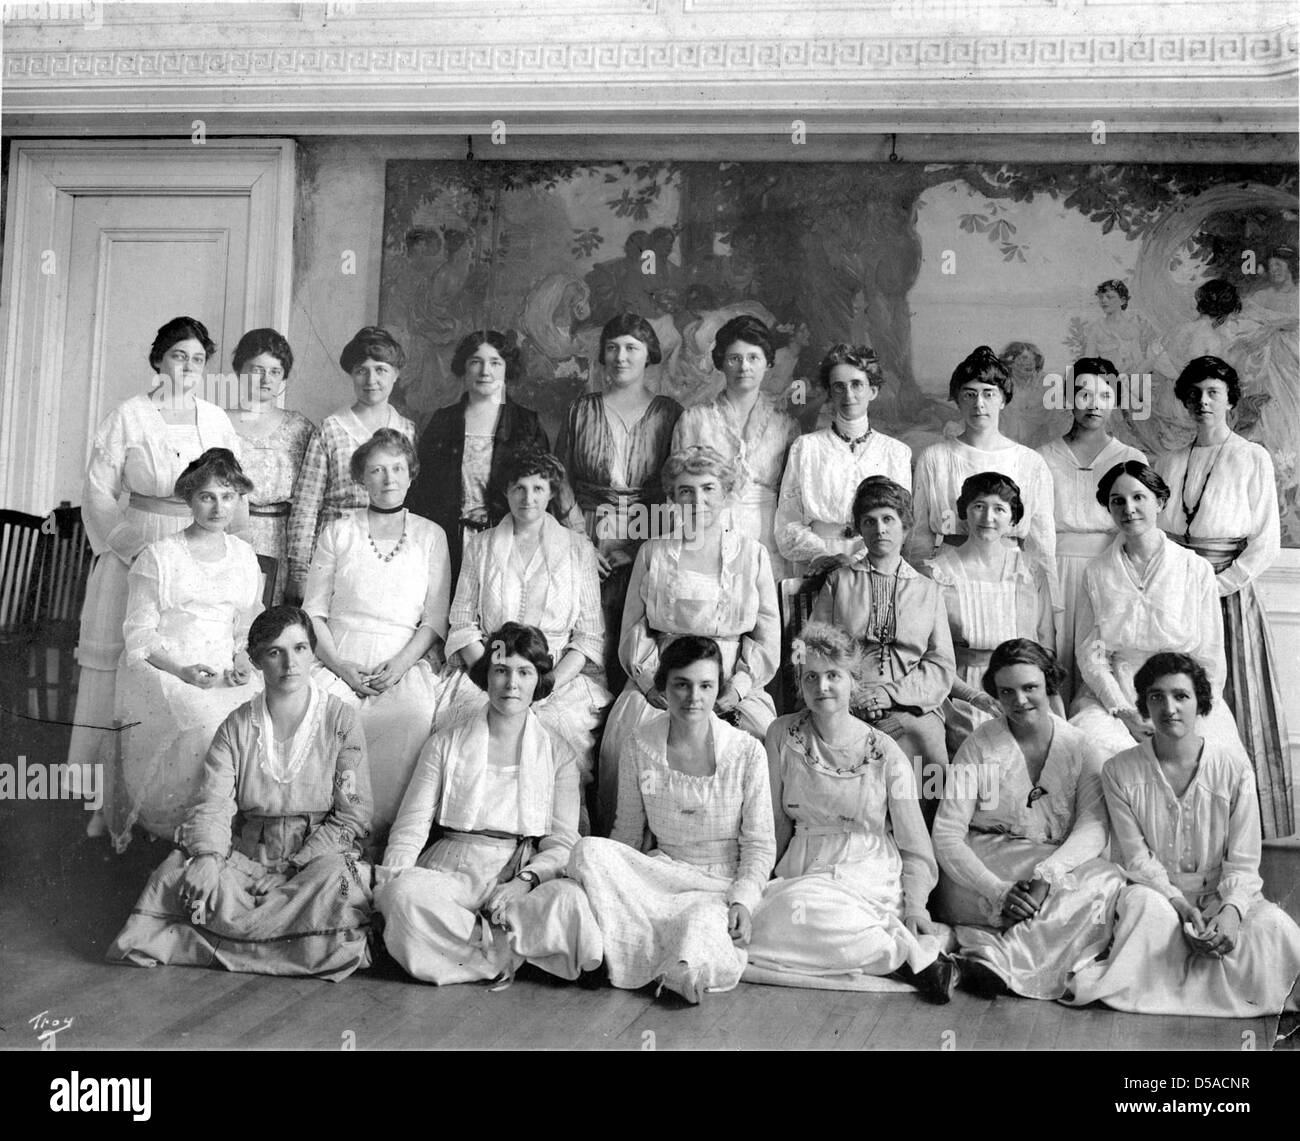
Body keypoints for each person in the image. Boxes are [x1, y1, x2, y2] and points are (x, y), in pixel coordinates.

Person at [107, 606, 374, 980]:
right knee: (174, 875)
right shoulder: (235, 726)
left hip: (314, 862)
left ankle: (223, 940)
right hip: (250, 857)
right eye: (274, 652)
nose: (289, 664)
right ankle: (292, 946)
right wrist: (209, 858)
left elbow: (353, 815)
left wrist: (293, 869)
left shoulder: (341, 721)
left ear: (313, 653)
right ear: (255, 660)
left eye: (299, 649)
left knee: (341, 885)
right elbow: (213, 803)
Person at [69, 317, 245, 837]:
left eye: (196, 360)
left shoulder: (215, 418)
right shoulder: (129, 415)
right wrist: (131, 546)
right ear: (159, 360)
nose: (187, 368)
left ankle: (169, 801)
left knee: (183, 666)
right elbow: (99, 492)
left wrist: (226, 552)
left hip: (198, 546)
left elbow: (233, 493)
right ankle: (104, 801)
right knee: (123, 670)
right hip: (136, 547)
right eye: (177, 357)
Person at [1067, 653, 1300, 1018]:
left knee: (1275, 929)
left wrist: (1231, 912)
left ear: (1200, 702)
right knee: (1147, 912)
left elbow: (1243, 860)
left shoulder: (1233, 768)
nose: (1169, 708)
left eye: (1181, 696)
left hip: (1220, 891)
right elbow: (1136, 858)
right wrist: (1178, 902)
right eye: (1156, 697)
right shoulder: (1119, 771)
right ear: (1143, 704)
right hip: (1158, 893)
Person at [375, 622, 603, 986]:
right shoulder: (444, 743)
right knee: (403, 897)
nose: (511, 684)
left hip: (518, 873)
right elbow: (411, 826)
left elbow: (563, 843)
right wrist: (390, 882)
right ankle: (503, 952)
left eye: (524, 673)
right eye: (501, 671)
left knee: (571, 905)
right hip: (452, 870)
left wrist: (526, 881)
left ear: (538, 681)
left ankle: (463, 950)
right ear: (486, 677)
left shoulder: (558, 754)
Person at [744, 623, 956, 1001]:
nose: (821, 687)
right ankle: (901, 956)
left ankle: (900, 949)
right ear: (800, 682)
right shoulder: (781, 734)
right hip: (803, 866)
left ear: (853, 682)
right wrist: (755, 882)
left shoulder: (886, 750)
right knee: (760, 921)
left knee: (802, 910)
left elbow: (914, 843)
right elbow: (775, 823)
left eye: (833, 676)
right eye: (811, 677)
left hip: (867, 870)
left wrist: (917, 906)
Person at [568, 636, 776, 1003]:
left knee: (699, 921)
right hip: (661, 874)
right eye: (681, 684)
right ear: (664, 687)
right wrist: (616, 876)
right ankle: (630, 948)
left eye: (705, 686)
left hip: (717, 882)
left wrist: (742, 899)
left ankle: (674, 967)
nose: (693, 697)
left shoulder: (747, 753)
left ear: (718, 690)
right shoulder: (640, 744)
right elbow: (628, 832)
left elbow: (759, 845)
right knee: (587, 850)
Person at [597, 446, 779, 833]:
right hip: (662, 679)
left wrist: (738, 689)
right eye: (686, 491)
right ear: (672, 498)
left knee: (763, 743)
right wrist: (650, 684)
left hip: (730, 682)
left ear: (726, 492)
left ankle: (738, 848)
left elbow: (766, 637)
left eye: (708, 489)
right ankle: (633, 845)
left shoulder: (752, 555)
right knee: (624, 745)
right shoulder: (653, 552)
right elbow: (633, 628)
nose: (698, 500)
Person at [931, 639, 1125, 1000]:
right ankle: (1000, 948)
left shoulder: (1081, 746)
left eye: (1030, 688)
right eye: (1007, 692)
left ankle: (992, 956)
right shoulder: (979, 745)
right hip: (981, 873)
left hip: (1046, 870)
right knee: (1073, 903)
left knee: (1108, 879)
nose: (1019, 701)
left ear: (1048, 684)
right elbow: (946, 834)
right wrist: (997, 890)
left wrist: (1045, 876)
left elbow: (1094, 827)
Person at [435, 447, 611, 830]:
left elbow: (588, 636)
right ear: (506, 492)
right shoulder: (481, 547)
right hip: (488, 670)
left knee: (560, 736)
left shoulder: (578, 549)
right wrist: (490, 674)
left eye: (537, 488)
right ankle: (473, 832)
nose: (527, 498)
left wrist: (547, 682)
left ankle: (551, 839)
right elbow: (463, 621)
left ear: (551, 492)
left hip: (556, 678)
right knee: (463, 726)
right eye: (518, 488)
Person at [1155, 356, 1293, 837]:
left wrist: (1214, 587)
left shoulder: (1251, 457)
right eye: (1193, 393)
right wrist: (1181, 589)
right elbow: (1160, 535)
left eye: (1213, 391)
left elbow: (1265, 543)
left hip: (1228, 596)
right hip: (1178, 598)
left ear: (1230, 399)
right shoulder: (1171, 462)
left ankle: (1244, 827)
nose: (1203, 401)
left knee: (1236, 698)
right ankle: (1186, 825)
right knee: (1177, 700)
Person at [303, 428, 450, 851]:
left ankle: (374, 839)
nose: (388, 479)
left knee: (413, 717)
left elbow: (434, 618)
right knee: (318, 715)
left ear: (411, 474)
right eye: (377, 470)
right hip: (339, 655)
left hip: (401, 659)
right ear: (361, 478)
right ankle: (322, 835)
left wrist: (401, 667)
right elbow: (314, 611)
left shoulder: (430, 535)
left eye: (398, 469)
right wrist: (341, 668)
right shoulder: (338, 531)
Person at [113, 449, 263, 848]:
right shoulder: (160, 557)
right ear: (189, 499)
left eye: (228, 496)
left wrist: (243, 659)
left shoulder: (245, 557)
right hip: (167, 669)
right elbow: (139, 637)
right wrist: (181, 670)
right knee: (206, 721)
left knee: (267, 716)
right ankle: (195, 828)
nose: (218, 507)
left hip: (224, 668)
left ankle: (240, 827)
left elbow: (246, 625)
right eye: (207, 496)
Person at [1067, 461, 1246, 763]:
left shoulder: (1194, 569)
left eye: (1139, 497)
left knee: (1215, 758)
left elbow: (1210, 657)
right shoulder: (1096, 572)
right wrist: (1125, 712)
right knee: (1096, 753)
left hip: (1182, 691)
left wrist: (1180, 709)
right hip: (1118, 694)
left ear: (1160, 502)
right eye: (1117, 501)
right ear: (1108, 509)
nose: (1129, 508)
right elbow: (1091, 656)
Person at [809, 476, 954, 821]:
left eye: (888, 519)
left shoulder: (928, 590)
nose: (880, 529)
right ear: (859, 527)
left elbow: (940, 663)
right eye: (869, 521)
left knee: (930, 747)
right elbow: (816, 647)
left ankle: (926, 838)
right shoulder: (840, 581)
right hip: (848, 698)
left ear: (905, 525)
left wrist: (891, 695)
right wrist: (852, 693)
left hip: (911, 703)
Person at [555, 312, 682, 693]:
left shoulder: (670, 414)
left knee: (637, 637)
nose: (620, 357)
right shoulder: (581, 410)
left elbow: (674, 488)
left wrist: (636, 547)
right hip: (584, 532)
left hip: (648, 537)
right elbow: (559, 477)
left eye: (631, 348)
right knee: (587, 633)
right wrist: (581, 542)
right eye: (612, 348)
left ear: (648, 356)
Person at [405, 330, 570, 583]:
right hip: (447, 541)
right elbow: (421, 491)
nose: (485, 371)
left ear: (507, 369)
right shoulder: (442, 421)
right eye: (475, 362)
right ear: (464, 368)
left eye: (495, 363)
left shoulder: (526, 423)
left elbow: (544, 490)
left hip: (506, 540)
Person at [1036, 359, 1147, 705]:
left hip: (1111, 569)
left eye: (1104, 394)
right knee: (1055, 656)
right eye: (1083, 393)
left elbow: (1140, 528)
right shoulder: (1042, 457)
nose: (1093, 403)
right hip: (1055, 568)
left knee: (1103, 662)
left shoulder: (1130, 457)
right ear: (1068, 399)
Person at [908, 347, 1057, 598]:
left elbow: (1041, 541)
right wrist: (917, 591)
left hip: (1010, 574)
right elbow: (919, 534)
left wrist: (1047, 598)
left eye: (989, 394)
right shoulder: (934, 458)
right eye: (969, 394)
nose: (979, 404)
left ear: (1003, 399)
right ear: (957, 400)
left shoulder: (1030, 462)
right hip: (949, 574)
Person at [927, 472, 1059, 753]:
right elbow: (932, 656)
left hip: (1024, 685)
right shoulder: (938, 573)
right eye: (979, 506)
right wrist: (974, 696)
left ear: (1012, 518)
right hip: (960, 691)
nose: (988, 517)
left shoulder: (1030, 571)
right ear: (964, 511)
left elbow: (1045, 643)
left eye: (999, 508)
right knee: (979, 756)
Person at [286, 326, 416, 602]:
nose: (371, 379)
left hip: (389, 548)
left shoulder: (408, 430)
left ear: (396, 375)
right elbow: (306, 505)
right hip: (337, 548)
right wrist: (300, 571)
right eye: (361, 370)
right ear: (351, 375)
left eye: (381, 369)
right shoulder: (331, 429)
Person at [671, 314, 801, 578]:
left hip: (767, 538)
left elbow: (793, 499)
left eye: (753, 358)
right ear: (721, 363)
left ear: (767, 363)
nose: (744, 367)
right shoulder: (694, 420)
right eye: (735, 358)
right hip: (708, 533)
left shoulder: (786, 426)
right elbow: (675, 495)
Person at [776, 344, 912, 577]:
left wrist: (858, 559)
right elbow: (787, 522)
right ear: (830, 393)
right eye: (839, 387)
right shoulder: (806, 447)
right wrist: (824, 557)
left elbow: (900, 521)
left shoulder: (896, 452)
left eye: (857, 384)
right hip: (816, 561)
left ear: (873, 391)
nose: (849, 395)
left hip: (875, 560)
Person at [228, 328, 317, 605]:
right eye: (256, 369)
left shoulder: (299, 427)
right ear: (239, 370)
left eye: (275, 371)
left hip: (281, 539)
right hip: (227, 531)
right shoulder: (217, 421)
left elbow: (311, 500)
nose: (266, 379)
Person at [1238, 245, 1300, 467]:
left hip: (1293, 366)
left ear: (1290, 266)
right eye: (1271, 265)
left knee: (1292, 413)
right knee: (1269, 413)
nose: (1274, 270)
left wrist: (1272, 327)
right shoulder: (1261, 296)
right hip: (1266, 367)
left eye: (1279, 265)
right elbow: (1244, 321)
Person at [1082, 279, 1159, 378]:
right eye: (1101, 297)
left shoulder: (1133, 326)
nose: (1104, 300)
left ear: (1122, 301)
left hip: (1130, 379)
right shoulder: (1096, 328)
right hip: (1107, 381)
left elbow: (1138, 359)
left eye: (1109, 297)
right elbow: (1089, 360)